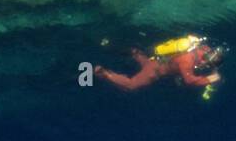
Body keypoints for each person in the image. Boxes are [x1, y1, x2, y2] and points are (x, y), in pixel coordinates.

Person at [95, 35, 225, 96]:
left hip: (156, 60)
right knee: (131, 86)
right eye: (206, 63)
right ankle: (103, 72)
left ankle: (114, 47)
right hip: (155, 70)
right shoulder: (187, 61)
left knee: (138, 55)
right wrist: (210, 79)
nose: (204, 65)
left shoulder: (202, 48)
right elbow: (189, 81)